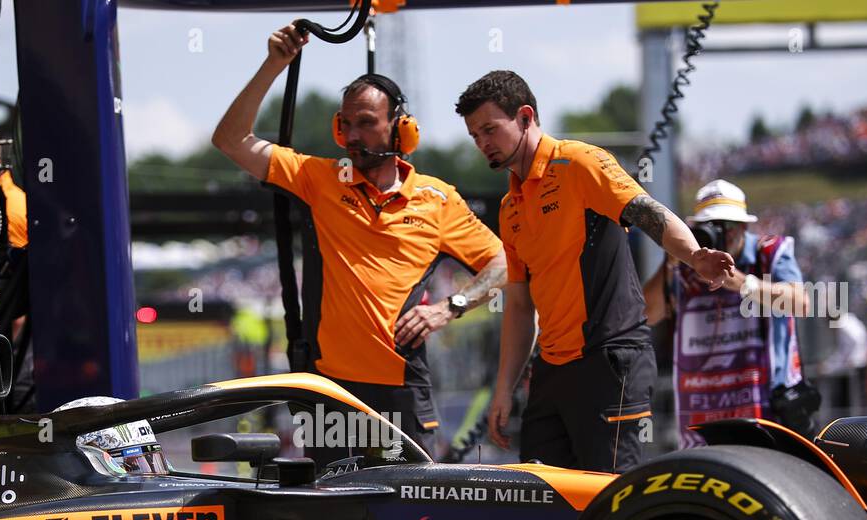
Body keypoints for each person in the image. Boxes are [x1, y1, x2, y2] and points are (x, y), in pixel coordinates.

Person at [212, 23, 507, 454]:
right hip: (327, 392)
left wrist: (450, 307)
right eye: (345, 124)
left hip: (401, 391)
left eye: (366, 123)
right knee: (329, 516)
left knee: (410, 516)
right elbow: (230, 140)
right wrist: (274, 64)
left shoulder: (438, 199)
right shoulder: (319, 178)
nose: (352, 137)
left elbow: (503, 263)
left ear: (400, 130)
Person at [455, 71, 735, 472]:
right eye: (474, 136)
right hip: (551, 371)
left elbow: (647, 211)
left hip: (610, 360)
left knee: (607, 503)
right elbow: (518, 307)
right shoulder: (509, 207)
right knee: (540, 501)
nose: (483, 143)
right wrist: (503, 390)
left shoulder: (579, 163)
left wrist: (694, 255)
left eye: (489, 129)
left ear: (525, 116)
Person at [643, 180, 813, 446]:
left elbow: (800, 303)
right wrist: (673, 261)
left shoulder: (768, 254)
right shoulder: (687, 267)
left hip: (766, 410)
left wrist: (745, 283)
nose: (721, 235)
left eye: (728, 226)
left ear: (744, 225)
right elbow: (646, 315)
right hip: (703, 414)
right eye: (711, 228)